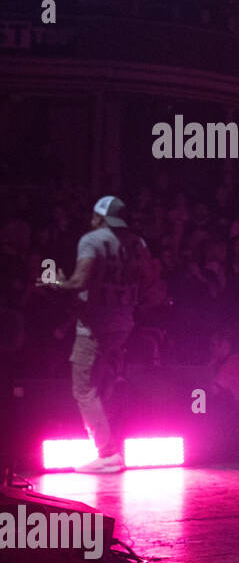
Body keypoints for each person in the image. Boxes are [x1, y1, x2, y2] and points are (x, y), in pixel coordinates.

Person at [40, 196, 148, 473]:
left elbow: (78, 281)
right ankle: (108, 444)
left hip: (95, 328)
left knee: (84, 389)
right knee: (98, 386)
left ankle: (106, 453)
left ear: (99, 217)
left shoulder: (93, 240)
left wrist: (52, 281)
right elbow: (146, 280)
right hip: (124, 323)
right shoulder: (138, 243)